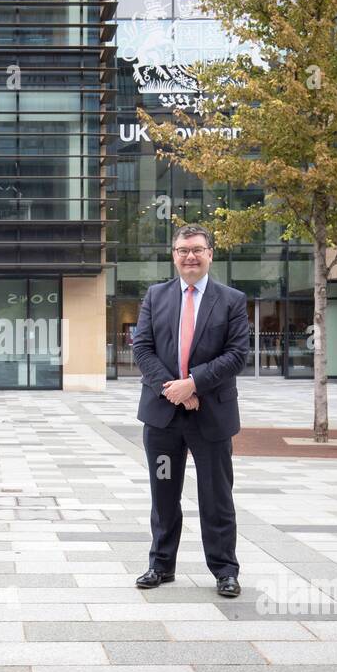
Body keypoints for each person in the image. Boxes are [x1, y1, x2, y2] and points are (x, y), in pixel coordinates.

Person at [130, 225, 251, 598]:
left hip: (211, 418)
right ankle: (160, 565)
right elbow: (142, 349)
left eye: (197, 249)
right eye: (182, 250)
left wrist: (194, 384)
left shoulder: (231, 300)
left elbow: (236, 355)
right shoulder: (156, 296)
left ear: (210, 253)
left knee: (216, 496)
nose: (190, 257)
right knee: (164, 492)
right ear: (174, 255)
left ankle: (225, 570)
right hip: (164, 419)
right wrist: (176, 391)